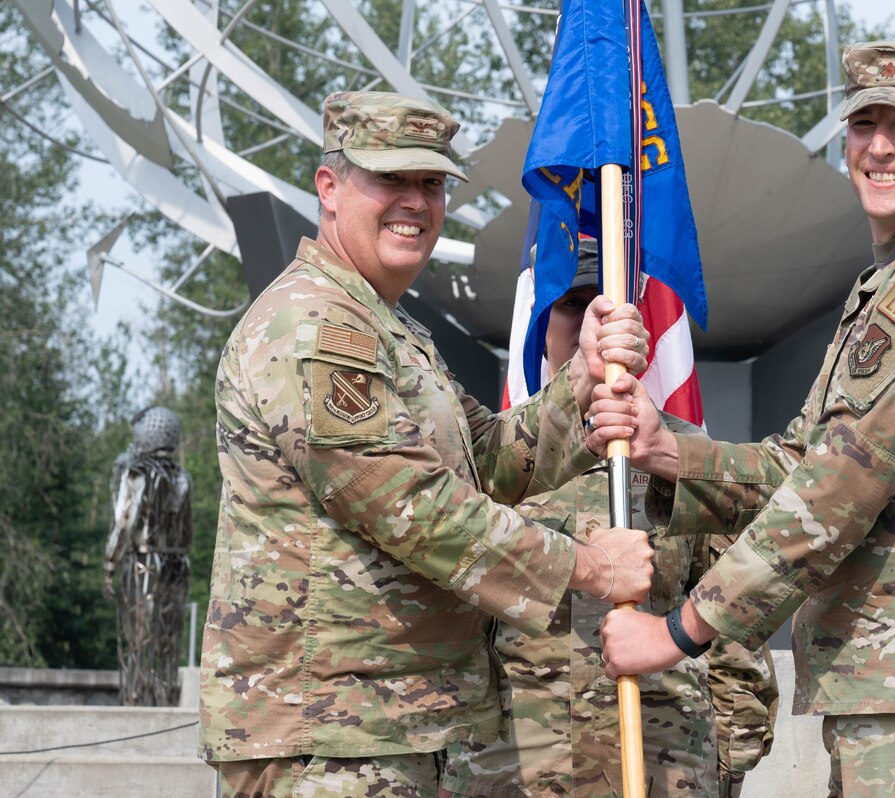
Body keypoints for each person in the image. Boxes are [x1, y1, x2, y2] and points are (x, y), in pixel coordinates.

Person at [594, 39, 895, 798]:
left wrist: (677, 631)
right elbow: (801, 463)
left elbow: (829, 496)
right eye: (864, 122)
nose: (881, 147)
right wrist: (670, 452)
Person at [199, 91, 655, 798]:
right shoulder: (316, 328)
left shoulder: (387, 330)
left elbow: (491, 459)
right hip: (328, 736)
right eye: (391, 179)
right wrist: (589, 567)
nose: (416, 201)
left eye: (432, 183)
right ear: (329, 187)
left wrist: (585, 378)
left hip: (387, 727)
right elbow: (413, 508)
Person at [439, 241, 778, 798]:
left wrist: (727, 759)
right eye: (572, 304)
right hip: (514, 764)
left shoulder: (685, 452)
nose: (593, 319)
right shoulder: (498, 459)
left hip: (661, 760)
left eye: (608, 301)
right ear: (540, 323)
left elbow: (735, 613)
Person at [104, 406, 193, 707]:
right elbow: (187, 531)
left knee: (137, 638)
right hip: (177, 565)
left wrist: (109, 565)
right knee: (168, 639)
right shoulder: (182, 477)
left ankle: (135, 702)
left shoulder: (136, 473)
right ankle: (164, 701)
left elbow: (123, 524)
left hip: (143, 564)